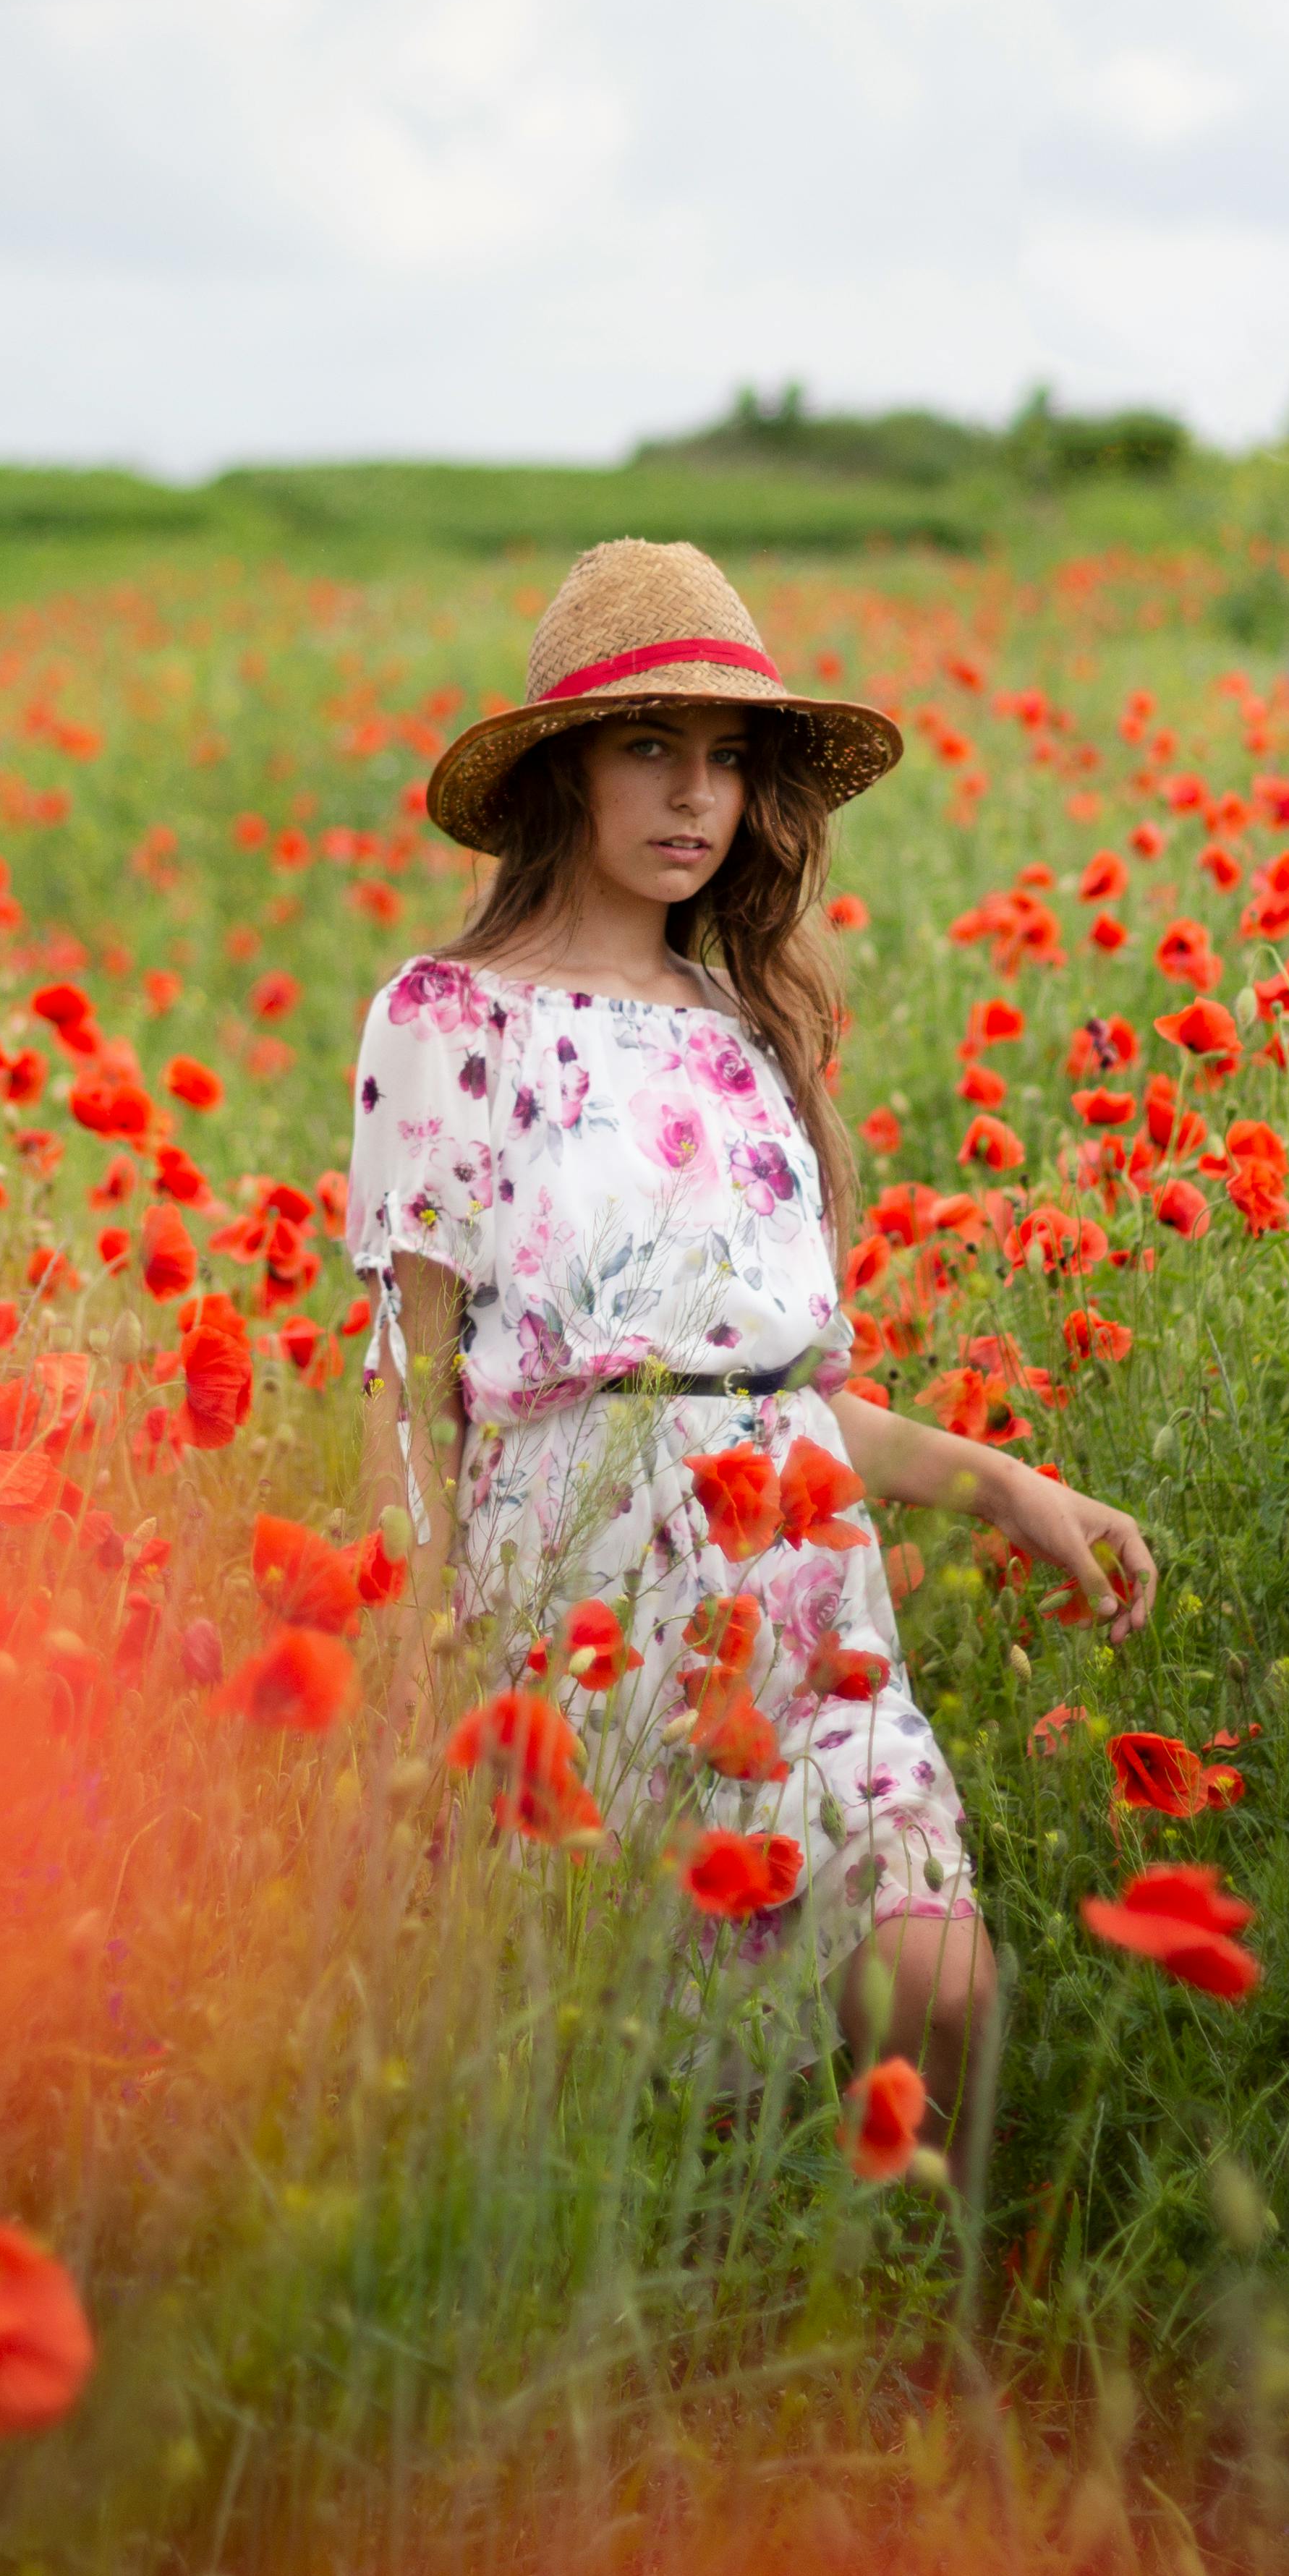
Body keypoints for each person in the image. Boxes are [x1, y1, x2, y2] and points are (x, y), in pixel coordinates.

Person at [346, 537, 1157, 2160]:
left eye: (727, 759)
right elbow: (402, 1372)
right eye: (650, 745)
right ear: (561, 774)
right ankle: (741, 2345)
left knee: (939, 1981)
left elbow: (780, 1385)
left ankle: (947, 2327)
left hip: (804, 1581)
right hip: (582, 1590)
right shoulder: (449, 1016)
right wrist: (407, 1644)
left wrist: (1001, 1488)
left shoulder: (744, 1034)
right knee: (627, 2046)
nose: (695, 796)